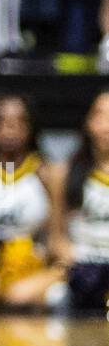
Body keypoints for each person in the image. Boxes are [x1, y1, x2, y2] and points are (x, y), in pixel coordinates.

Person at [0, 92, 61, 307]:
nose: (10, 129)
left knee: (22, 296)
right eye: (2, 121)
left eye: (20, 121)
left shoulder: (46, 172)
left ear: (31, 127)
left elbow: (55, 238)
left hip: (30, 268)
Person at [47, 91, 109, 312]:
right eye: (101, 116)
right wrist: (78, 264)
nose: (106, 126)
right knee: (29, 296)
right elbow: (56, 239)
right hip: (79, 264)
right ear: (88, 122)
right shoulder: (63, 172)